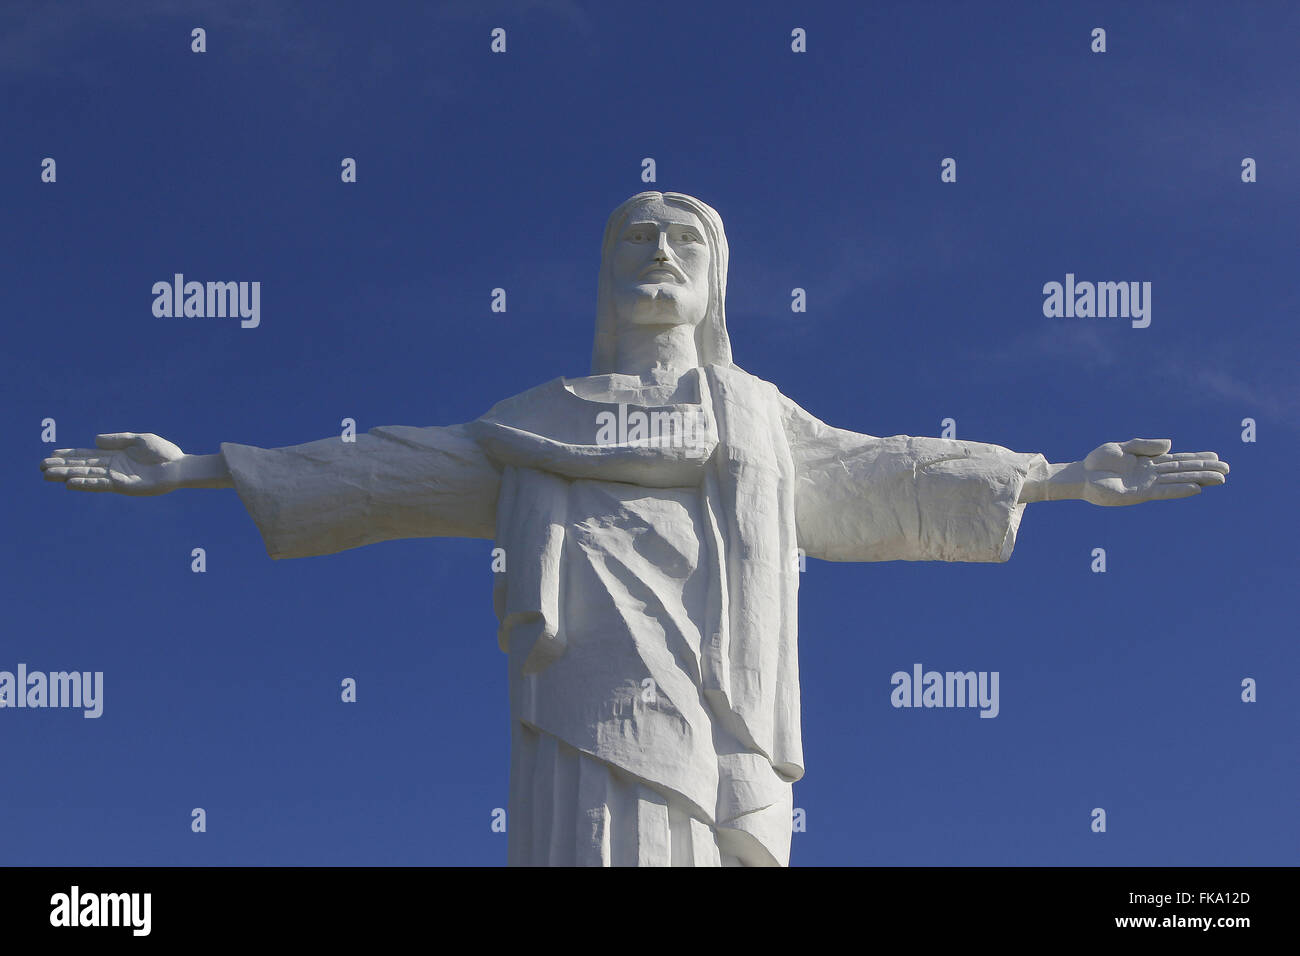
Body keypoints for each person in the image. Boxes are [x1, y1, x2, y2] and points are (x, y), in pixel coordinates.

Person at [41, 191, 1229, 866]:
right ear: (603, 273)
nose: (657, 251)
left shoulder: (756, 415)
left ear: (717, 284)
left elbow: (884, 474)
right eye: (634, 237)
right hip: (580, 717)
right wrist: (203, 468)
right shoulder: (533, 422)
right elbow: (386, 467)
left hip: (722, 725)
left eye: (685, 240)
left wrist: (1055, 477)